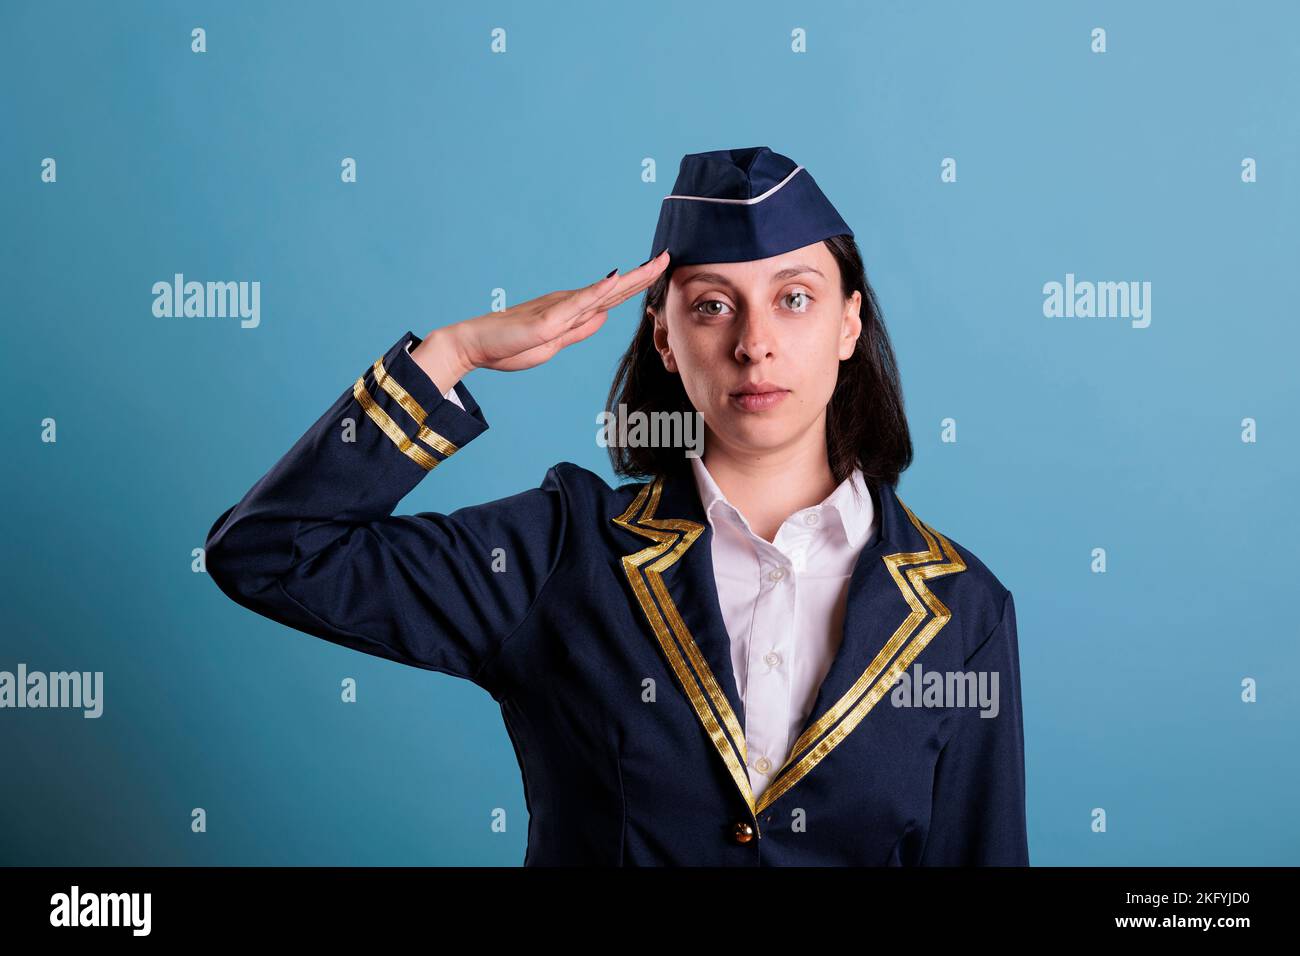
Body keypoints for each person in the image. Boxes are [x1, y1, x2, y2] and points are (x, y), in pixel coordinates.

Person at [205, 146, 1029, 866]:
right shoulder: (557, 554)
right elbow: (269, 552)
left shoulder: (963, 611)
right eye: (711, 305)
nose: (754, 342)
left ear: (851, 323)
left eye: (795, 297)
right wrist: (452, 354)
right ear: (665, 339)